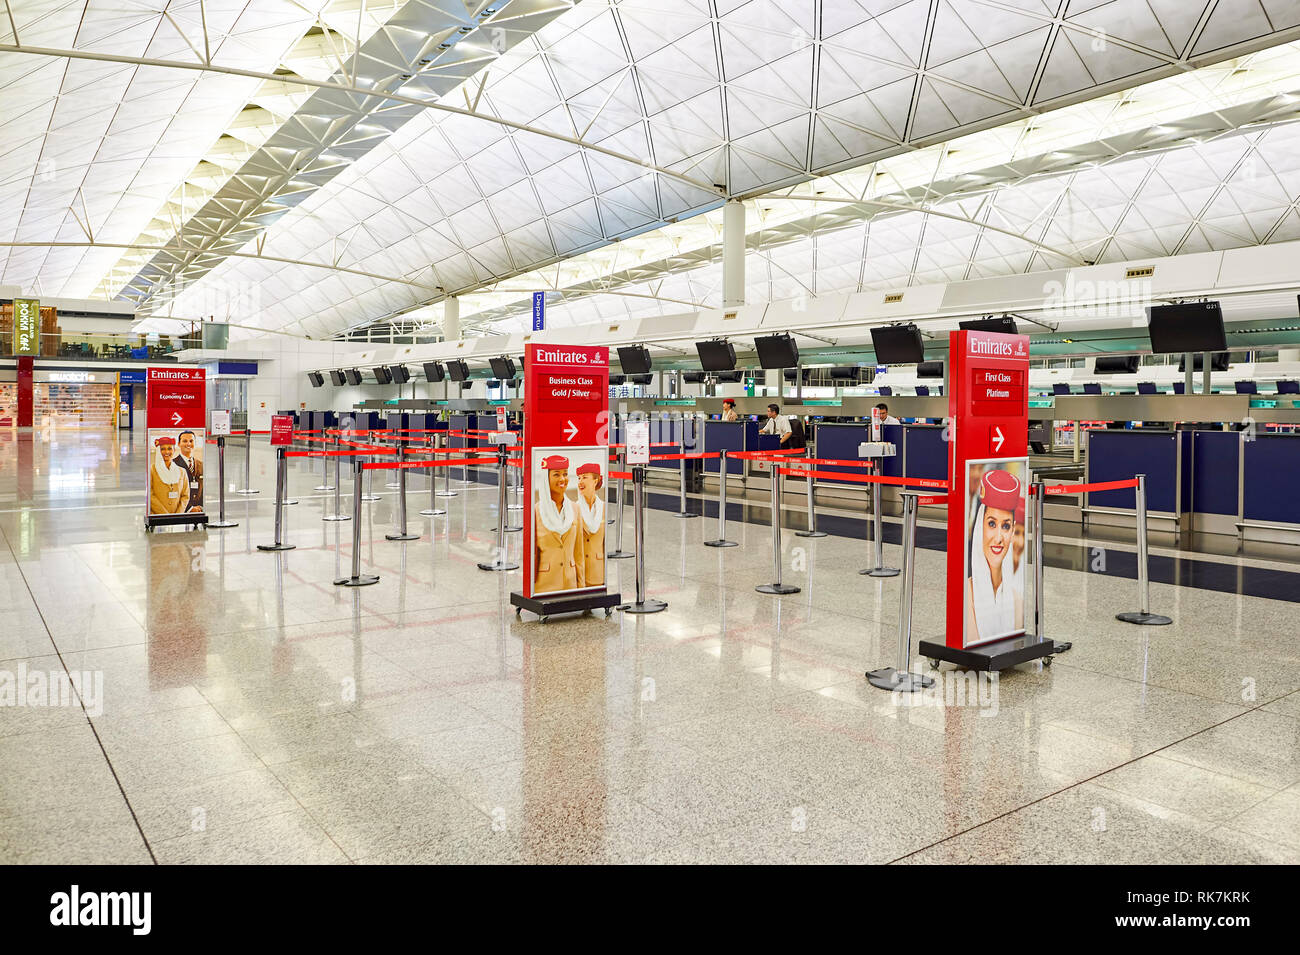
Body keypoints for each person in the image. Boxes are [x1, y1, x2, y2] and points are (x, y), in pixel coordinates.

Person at [965, 468, 1024, 645]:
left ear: (1012, 531)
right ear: (979, 527)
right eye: (991, 523)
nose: (998, 538)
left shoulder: (1017, 601)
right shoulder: (966, 596)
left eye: (1005, 527)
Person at [533, 454, 581, 593]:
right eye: (556, 475)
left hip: (570, 584)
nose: (562, 479)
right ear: (546, 478)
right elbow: (532, 553)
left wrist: (582, 588)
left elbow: (579, 552)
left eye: (565, 474)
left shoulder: (575, 509)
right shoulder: (536, 511)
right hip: (544, 584)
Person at [574, 462, 605, 587]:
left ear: (595, 481)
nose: (580, 482)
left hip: (597, 570)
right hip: (578, 571)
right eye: (579, 478)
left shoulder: (603, 508)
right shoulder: (574, 508)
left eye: (585, 477)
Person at [150, 436, 190, 515]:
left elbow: (185, 496)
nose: (166, 452)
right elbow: (150, 495)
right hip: (157, 515)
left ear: (174, 450)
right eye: (163, 449)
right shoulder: (152, 470)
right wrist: (165, 514)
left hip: (177, 517)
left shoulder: (182, 471)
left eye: (169, 449)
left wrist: (178, 515)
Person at [174, 430, 203, 512]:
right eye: (185, 441)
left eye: (191, 441)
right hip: (180, 510)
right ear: (179, 444)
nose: (188, 444)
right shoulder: (173, 465)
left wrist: (201, 507)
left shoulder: (201, 465)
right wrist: (189, 509)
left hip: (199, 510)